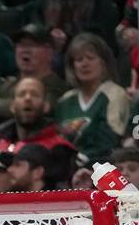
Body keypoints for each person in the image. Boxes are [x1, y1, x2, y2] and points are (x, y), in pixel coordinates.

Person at [0, 23, 69, 126]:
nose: (25, 50)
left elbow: (37, 109)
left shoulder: (56, 86)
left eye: (32, 45)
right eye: (21, 45)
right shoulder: (9, 84)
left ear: (49, 53)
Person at [54, 33, 129, 163]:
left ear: (104, 63)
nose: (84, 64)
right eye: (79, 59)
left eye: (90, 58)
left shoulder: (115, 94)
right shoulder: (65, 101)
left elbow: (110, 141)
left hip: (101, 166)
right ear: (72, 66)